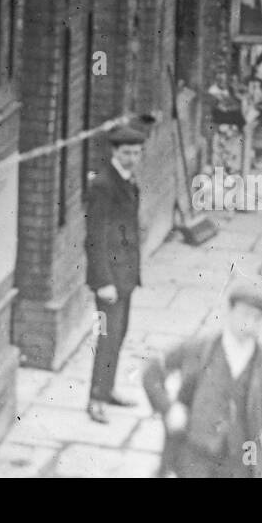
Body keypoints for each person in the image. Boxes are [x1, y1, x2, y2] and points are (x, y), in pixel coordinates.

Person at [142, 285, 262, 478]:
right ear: (229, 313)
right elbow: (152, 372)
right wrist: (169, 409)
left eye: (257, 318)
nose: (250, 323)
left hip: (242, 459)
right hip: (196, 454)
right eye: (245, 314)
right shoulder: (199, 349)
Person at [84, 122, 145, 423]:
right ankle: (96, 398)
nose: (132, 158)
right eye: (126, 152)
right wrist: (103, 281)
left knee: (119, 334)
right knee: (107, 336)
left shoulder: (128, 180)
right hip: (110, 278)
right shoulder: (104, 186)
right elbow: (94, 237)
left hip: (125, 276)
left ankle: (107, 390)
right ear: (113, 151)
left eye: (136, 152)